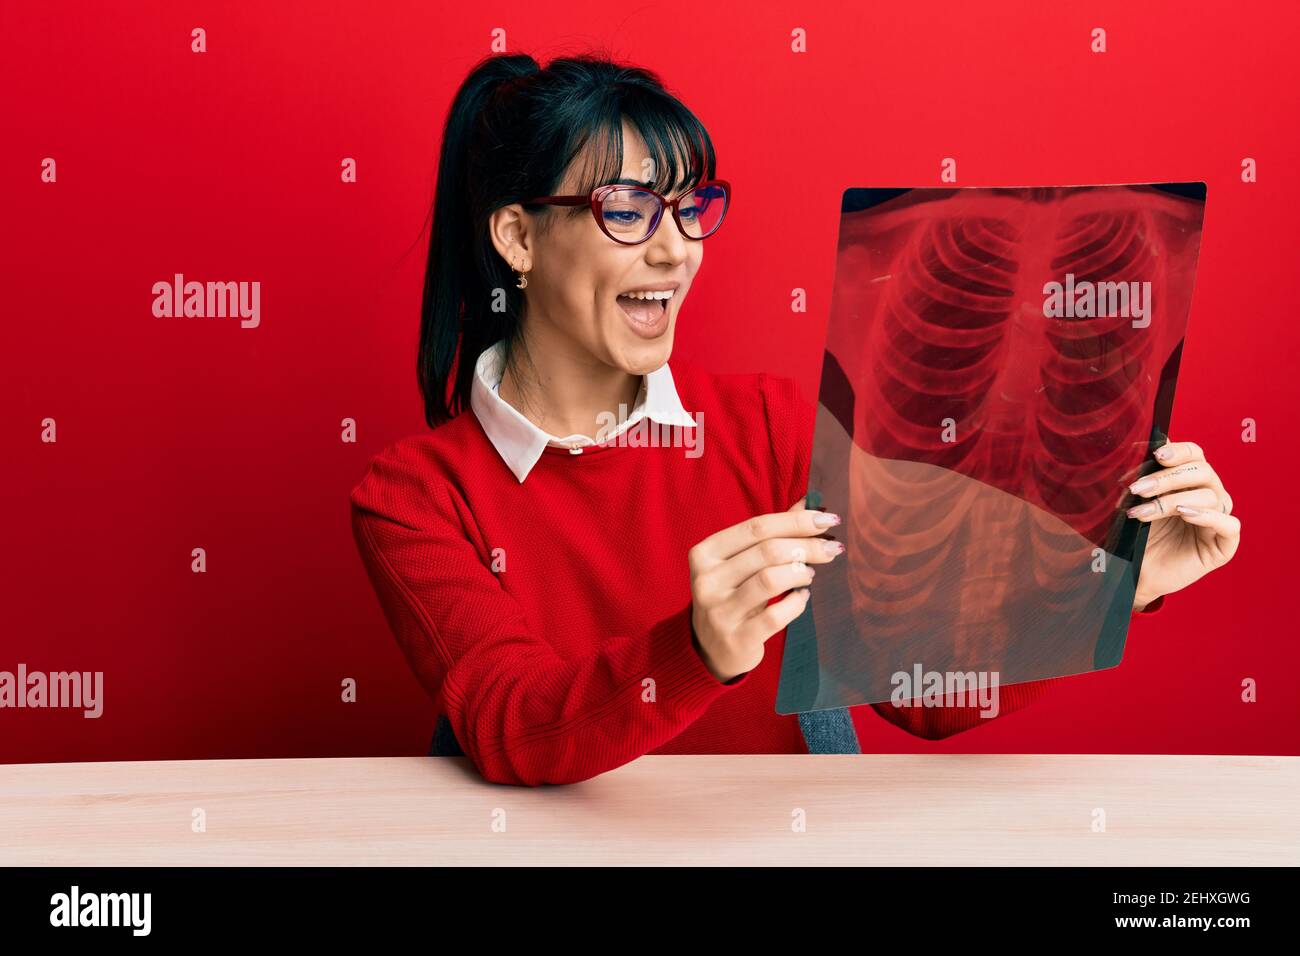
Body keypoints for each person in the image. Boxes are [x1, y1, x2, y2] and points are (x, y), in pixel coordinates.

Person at [348, 51, 1241, 785]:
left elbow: (923, 690)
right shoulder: (414, 497)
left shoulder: (771, 428)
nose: (676, 247)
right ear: (518, 239)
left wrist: (1114, 588)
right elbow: (513, 725)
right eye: (627, 209)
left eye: (690, 206)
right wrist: (697, 647)